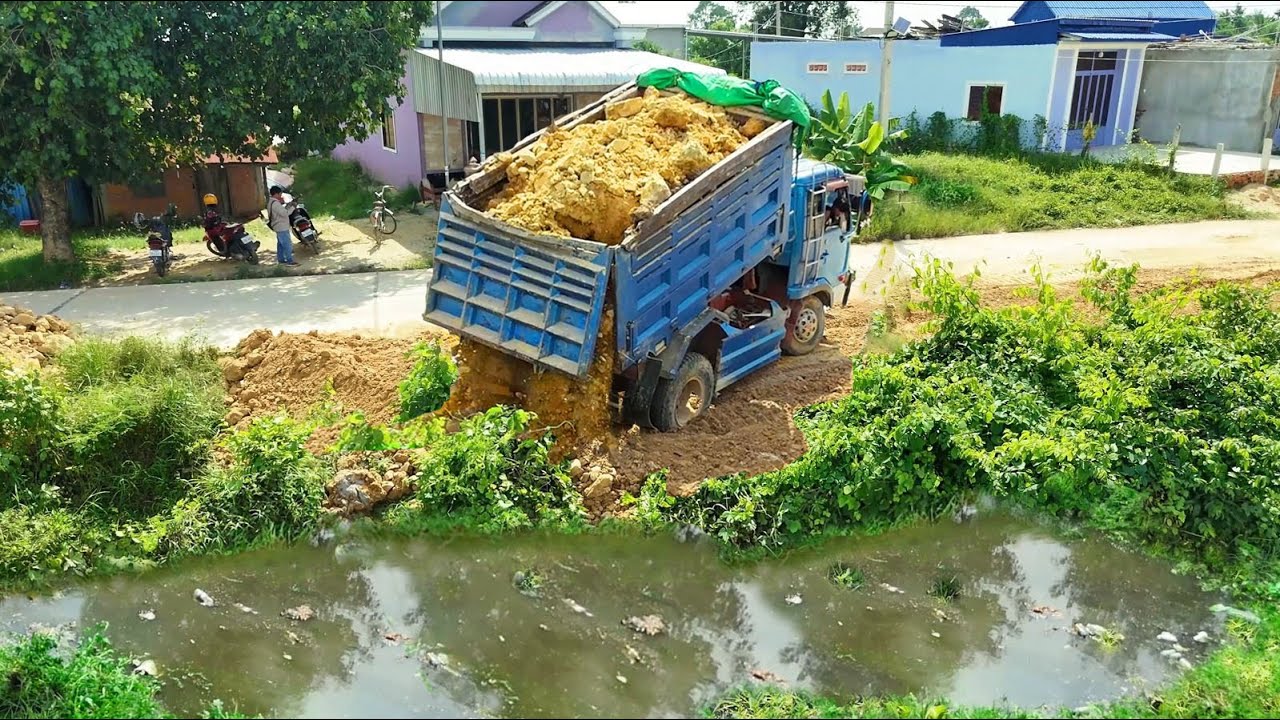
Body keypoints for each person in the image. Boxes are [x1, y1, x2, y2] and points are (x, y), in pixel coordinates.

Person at [267, 185, 297, 266]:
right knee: (287, 244)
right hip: (281, 226)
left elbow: (281, 210)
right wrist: (293, 207)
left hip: (278, 226)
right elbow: (285, 213)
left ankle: (281, 260)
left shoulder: (271, 201)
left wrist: (289, 204)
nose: (281, 196)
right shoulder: (275, 203)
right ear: (276, 194)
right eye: (280, 194)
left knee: (280, 244)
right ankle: (289, 261)